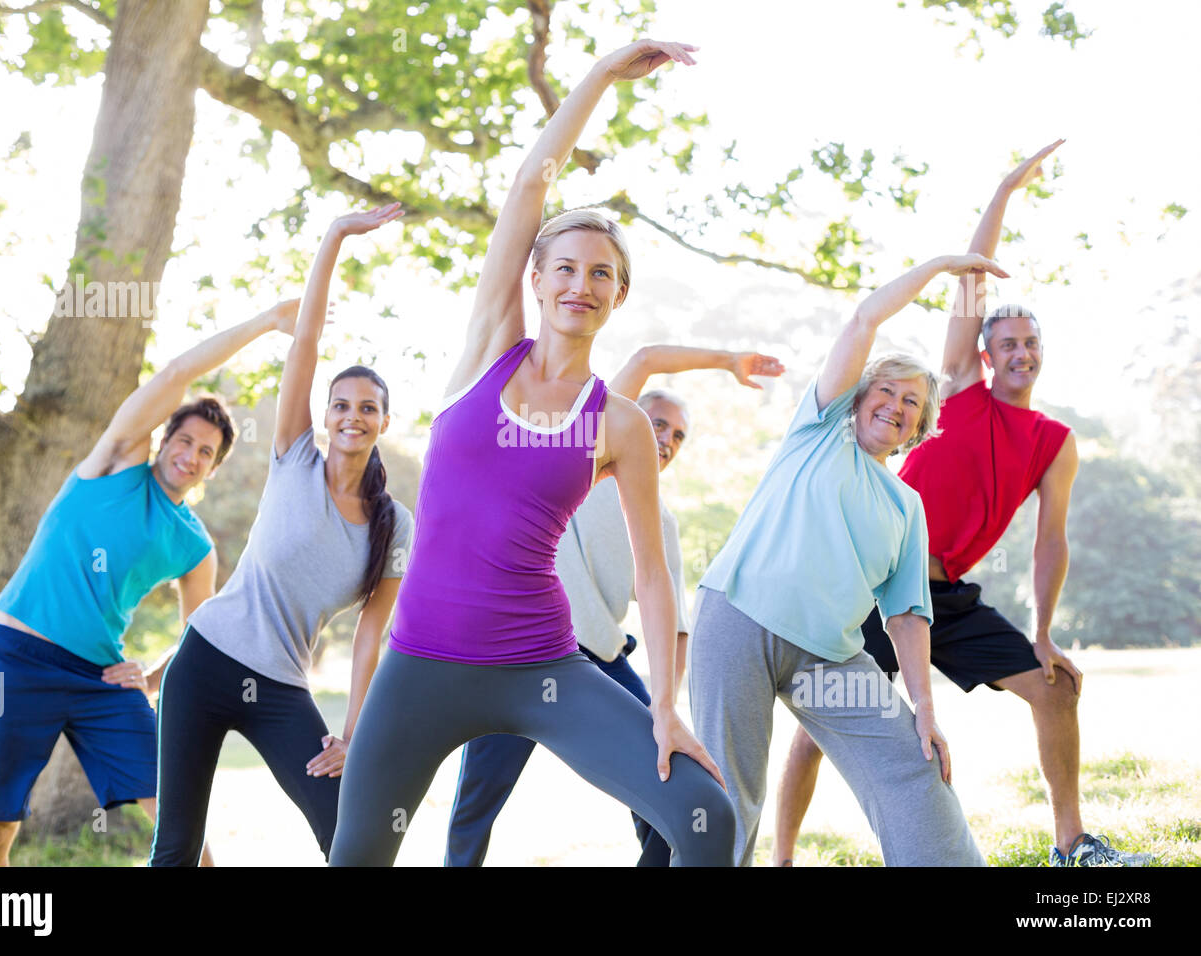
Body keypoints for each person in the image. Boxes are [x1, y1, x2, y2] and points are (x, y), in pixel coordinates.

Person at [328, 39, 735, 867]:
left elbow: (655, 575)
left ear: (618, 296)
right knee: (357, 857)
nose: (581, 284)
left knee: (706, 815)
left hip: (541, 664)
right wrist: (601, 77)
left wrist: (664, 703)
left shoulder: (618, 424)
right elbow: (529, 186)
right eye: (566, 267)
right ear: (538, 278)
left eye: (602, 274)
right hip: (422, 665)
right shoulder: (488, 352)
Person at [772, 141, 1149, 867]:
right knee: (816, 726)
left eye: (1029, 342)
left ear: (1041, 351)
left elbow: (1050, 543)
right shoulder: (952, 395)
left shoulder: (1053, 441)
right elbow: (972, 285)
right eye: (1005, 342)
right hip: (877, 590)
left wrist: (1044, 632)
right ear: (984, 355)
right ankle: (782, 859)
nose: (1020, 352)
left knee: (1056, 687)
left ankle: (1072, 845)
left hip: (946, 598)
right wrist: (1007, 190)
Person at [690, 250, 1007, 867]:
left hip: (827, 657)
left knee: (914, 768)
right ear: (858, 398)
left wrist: (925, 711)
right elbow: (863, 321)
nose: (894, 403)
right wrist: (942, 267)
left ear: (919, 426)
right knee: (732, 796)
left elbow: (910, 615)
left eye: (912, 402)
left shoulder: (906, 506)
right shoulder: (818, 430)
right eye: (885, 389)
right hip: (739, 621)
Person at [0, 299, 300, 866]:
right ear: (163, 439)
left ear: (211, 469)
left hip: (100, 678)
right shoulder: (116, 461)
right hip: (19, 657)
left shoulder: (194, 547)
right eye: (184, 441)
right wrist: (267, 322)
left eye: (206, 452)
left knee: (180, 821)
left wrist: (147, 678)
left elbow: (204, 641)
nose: (190, 456)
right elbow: (175, 374)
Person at [445, 346, 783, 867]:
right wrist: (728, 360)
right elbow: (646, 357)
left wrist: (665, 707)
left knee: (675, 783)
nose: (666, 439)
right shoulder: (583, 454)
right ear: (627, 416)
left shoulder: (661, 522)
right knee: (477, 804)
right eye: (659, 423)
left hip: (597, 661)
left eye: (677, 436)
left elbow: (675, 625)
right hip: (517, 653)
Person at [149, 205, 413, 865]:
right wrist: (334, 237)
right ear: (324, 414)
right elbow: (306, 342)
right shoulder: (293, 455)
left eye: (368, 408)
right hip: (204, 661)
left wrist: (352, 731)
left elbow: (371, 636)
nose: (353, 416)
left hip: (281, 688)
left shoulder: (395, 523)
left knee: (350, 834)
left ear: (384, 421)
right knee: (177, 848)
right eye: (342, 404)